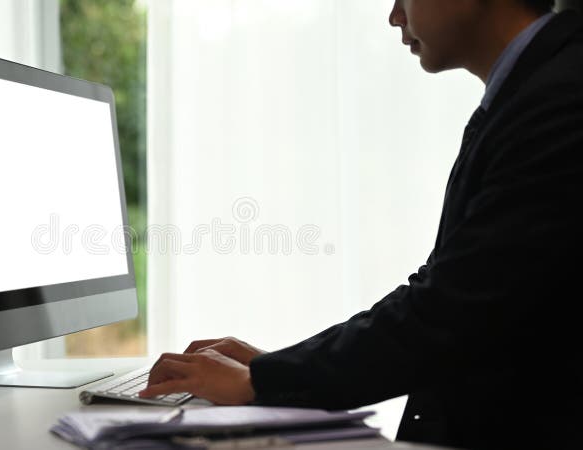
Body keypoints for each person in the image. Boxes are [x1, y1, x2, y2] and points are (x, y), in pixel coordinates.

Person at [138, 0, 583, 448]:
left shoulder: (560, 98)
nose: (395, 15)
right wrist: (280, 368)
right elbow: (454, 283)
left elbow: (452, 311)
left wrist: (263, 379)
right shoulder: (533, 90)